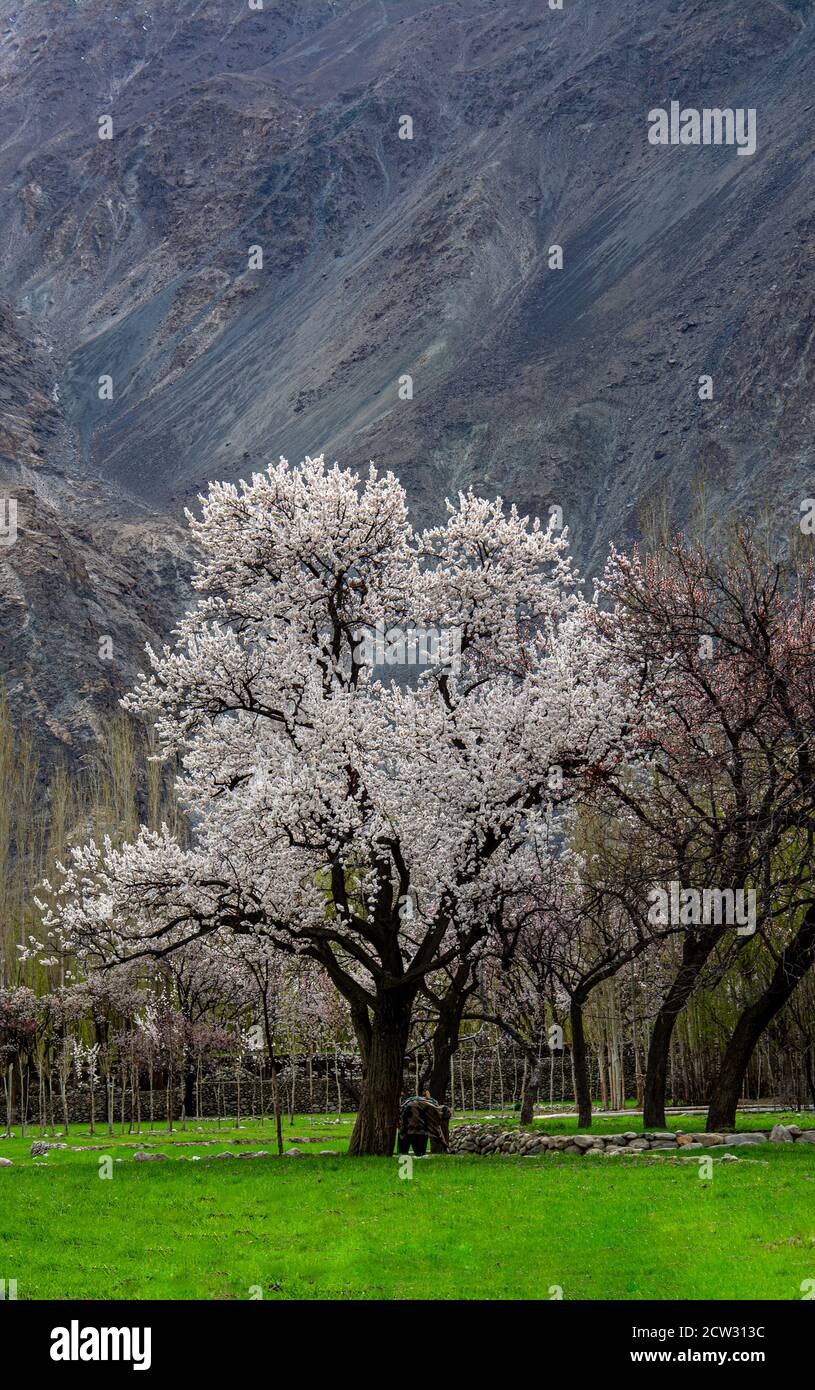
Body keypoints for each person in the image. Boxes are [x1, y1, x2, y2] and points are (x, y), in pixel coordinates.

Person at [397, 1089, 451, 1155]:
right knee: (420, 1154)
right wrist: (445, 1146)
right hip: (416, 1129)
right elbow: (437, 1133)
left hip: (403, 1124)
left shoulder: (432, 1103)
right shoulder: (434, 1113)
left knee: (402, 1154)